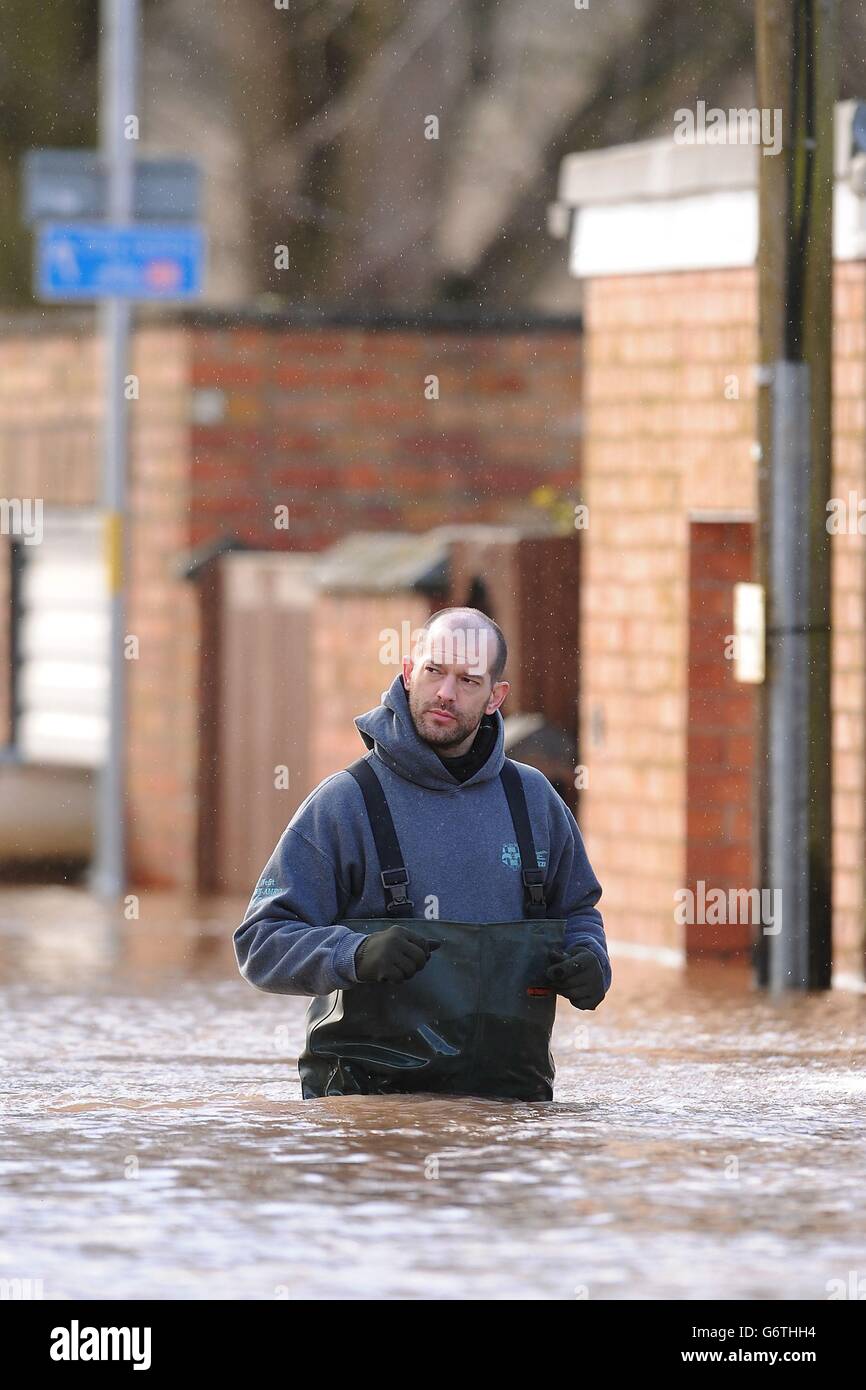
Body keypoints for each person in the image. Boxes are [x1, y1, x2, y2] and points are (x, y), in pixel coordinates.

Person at [233, 606, 611, 1100]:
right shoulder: (346, 802)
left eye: (468, 681)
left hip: (508, 1118)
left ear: (496, 696)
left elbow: (579, 911)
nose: (446, 693)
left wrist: (591, 960)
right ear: (409, 672)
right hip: (369, 1118)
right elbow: (260, 943)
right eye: (434, 671)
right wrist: (356, 954)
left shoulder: (534, 802)